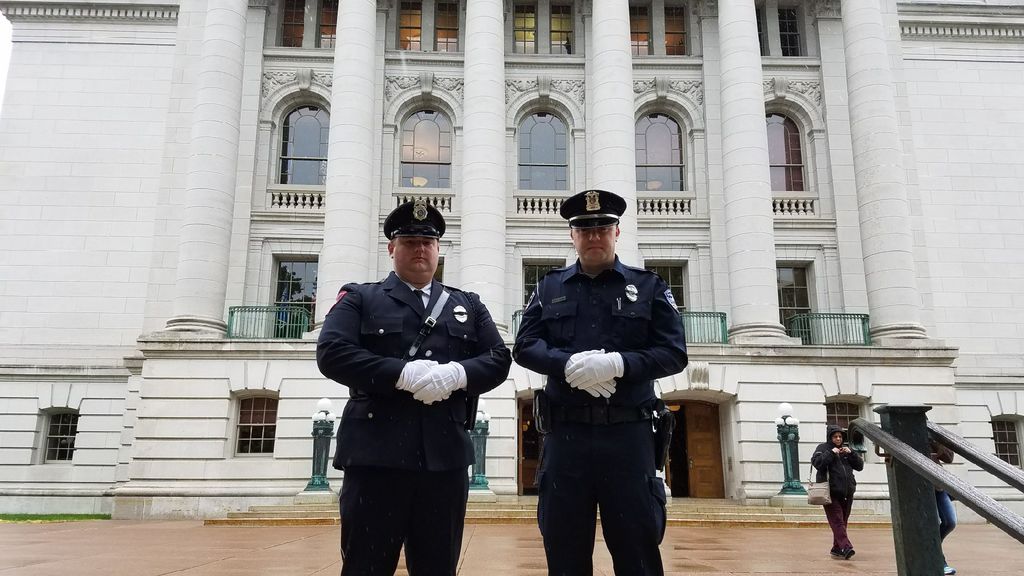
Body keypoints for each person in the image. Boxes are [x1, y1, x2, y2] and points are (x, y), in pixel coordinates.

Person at [317, 199, 512, 576]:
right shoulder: (360, 297)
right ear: (392, 248)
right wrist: (401, 374)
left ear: (439, 249)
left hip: (444, 463)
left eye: (427, 242)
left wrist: (455, 374)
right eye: (409, 241)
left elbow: (498, 359)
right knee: (366, 567)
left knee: (438, 568)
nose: (419, 249)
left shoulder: (467, 304)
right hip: (376, 461)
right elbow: (332, 352)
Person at [513, 189, 688, 576]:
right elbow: (524, 346)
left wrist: (618, 364)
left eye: (602, 227)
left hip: (628, 436)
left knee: (637, 548)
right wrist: (569, 363)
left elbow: (674, 353)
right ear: (572, 236)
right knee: (564, 546)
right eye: (584, 228)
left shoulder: (649, 287)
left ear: (617, 232)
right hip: (566, 435)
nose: (594, 235)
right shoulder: (548, 287)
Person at [811, 425, 864, 560]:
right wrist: (831, 453)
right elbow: (817, 463)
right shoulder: (822, 448)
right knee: (837, 521)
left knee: (843, 521)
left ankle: (836, 548)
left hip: (847, 492)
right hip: (830, 492)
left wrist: (851, 453)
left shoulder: (846, 450)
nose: (838, 439)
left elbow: (859, 466)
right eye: (835, 436)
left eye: (840, 436)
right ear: (830, 437)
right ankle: (846, 547)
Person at [930, 434, 957, 575]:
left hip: (937, 485)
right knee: (931, 526)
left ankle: (930, 550)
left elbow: (949, 458)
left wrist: (933, 441)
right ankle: (940, 561)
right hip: (918, 485)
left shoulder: (930, 433)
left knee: (950, 522)